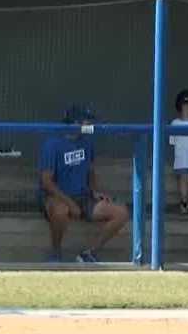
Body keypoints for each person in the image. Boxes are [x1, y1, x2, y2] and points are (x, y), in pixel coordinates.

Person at [38, 106, 129, 263]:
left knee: (121, 212)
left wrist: (95, 191)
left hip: (83, 197)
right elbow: (46, 181)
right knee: (61, 210)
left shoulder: (86, 142)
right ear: (75, 123)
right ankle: (55, 253)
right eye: (86, 122)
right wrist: (69, 202)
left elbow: (90, 170)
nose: (89, 126)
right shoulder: (52, 144)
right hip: (57, 196)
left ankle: (88, 253)